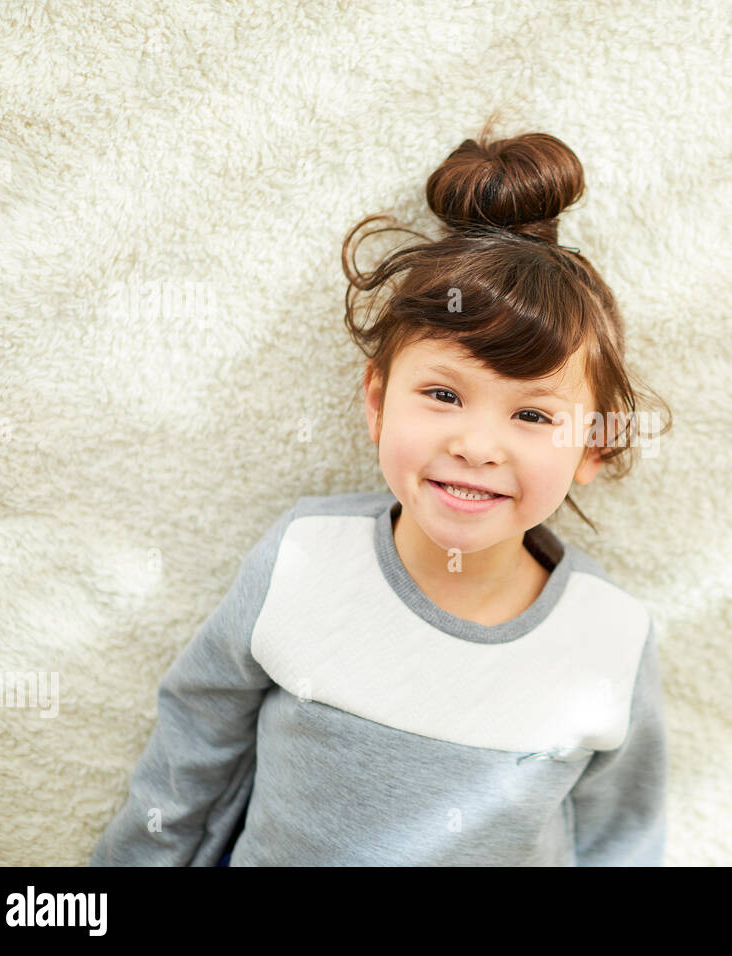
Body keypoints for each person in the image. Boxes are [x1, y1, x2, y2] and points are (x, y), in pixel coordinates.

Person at [89, 119, 674, 866]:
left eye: (531, 414)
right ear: (376, 400)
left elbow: (623, 841)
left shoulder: (609, 636)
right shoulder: (305, 559)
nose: (476, 445)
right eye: (441, 394)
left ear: (594, 447)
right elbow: (192, 754)